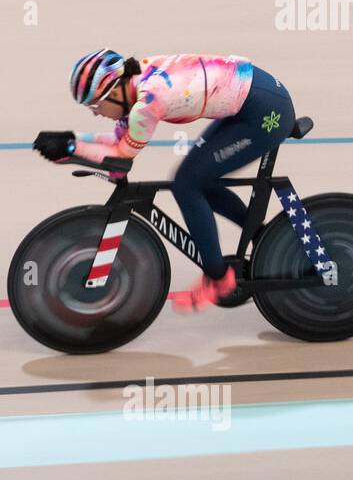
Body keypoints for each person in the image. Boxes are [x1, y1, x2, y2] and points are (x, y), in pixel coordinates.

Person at [33, 49, 295, 311]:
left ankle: (218, 279)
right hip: (252, 97)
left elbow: (121, 157)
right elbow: (117, 143)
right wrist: (70, 140)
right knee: (197, 178)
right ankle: (264, 237)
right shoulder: (134, 85)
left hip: (265, 114)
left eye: (94, 105)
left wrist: (70, 149)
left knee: (187, 185)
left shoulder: (149, 101)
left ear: (114, 91)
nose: (95, 113)